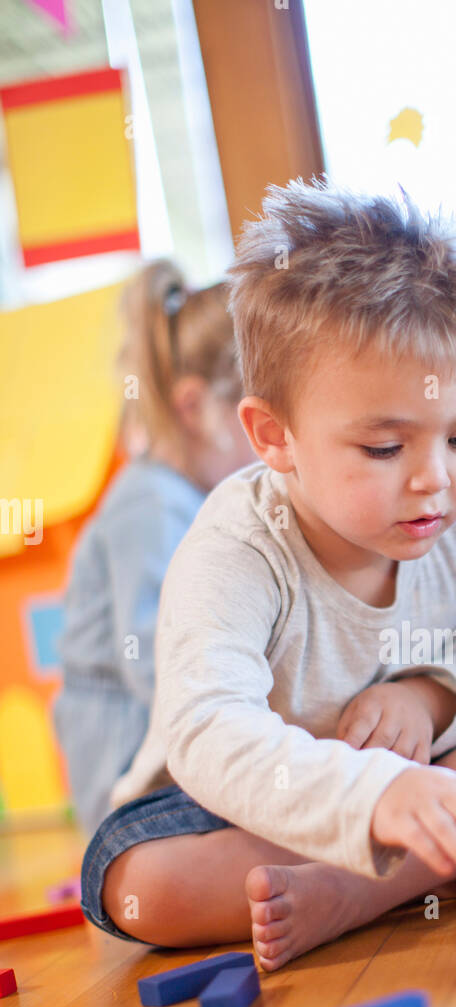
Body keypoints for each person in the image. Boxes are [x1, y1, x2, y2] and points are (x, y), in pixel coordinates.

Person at [79, 180, 456, 966]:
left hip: (415, 776)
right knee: (132, 879)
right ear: (274, 436)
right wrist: (374, 797)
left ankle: (361, 889)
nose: (435, 481)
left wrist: (425, 695)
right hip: (243, 812)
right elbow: (208, 732)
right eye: (385, 448)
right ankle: (432, 863)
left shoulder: (448, 507)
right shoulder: (238, 547)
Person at [53, 260, 251, 834]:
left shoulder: (188, 494)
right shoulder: (153, 504)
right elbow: (154, 662)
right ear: (194, 408)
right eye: (256, 417)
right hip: (127, 771)